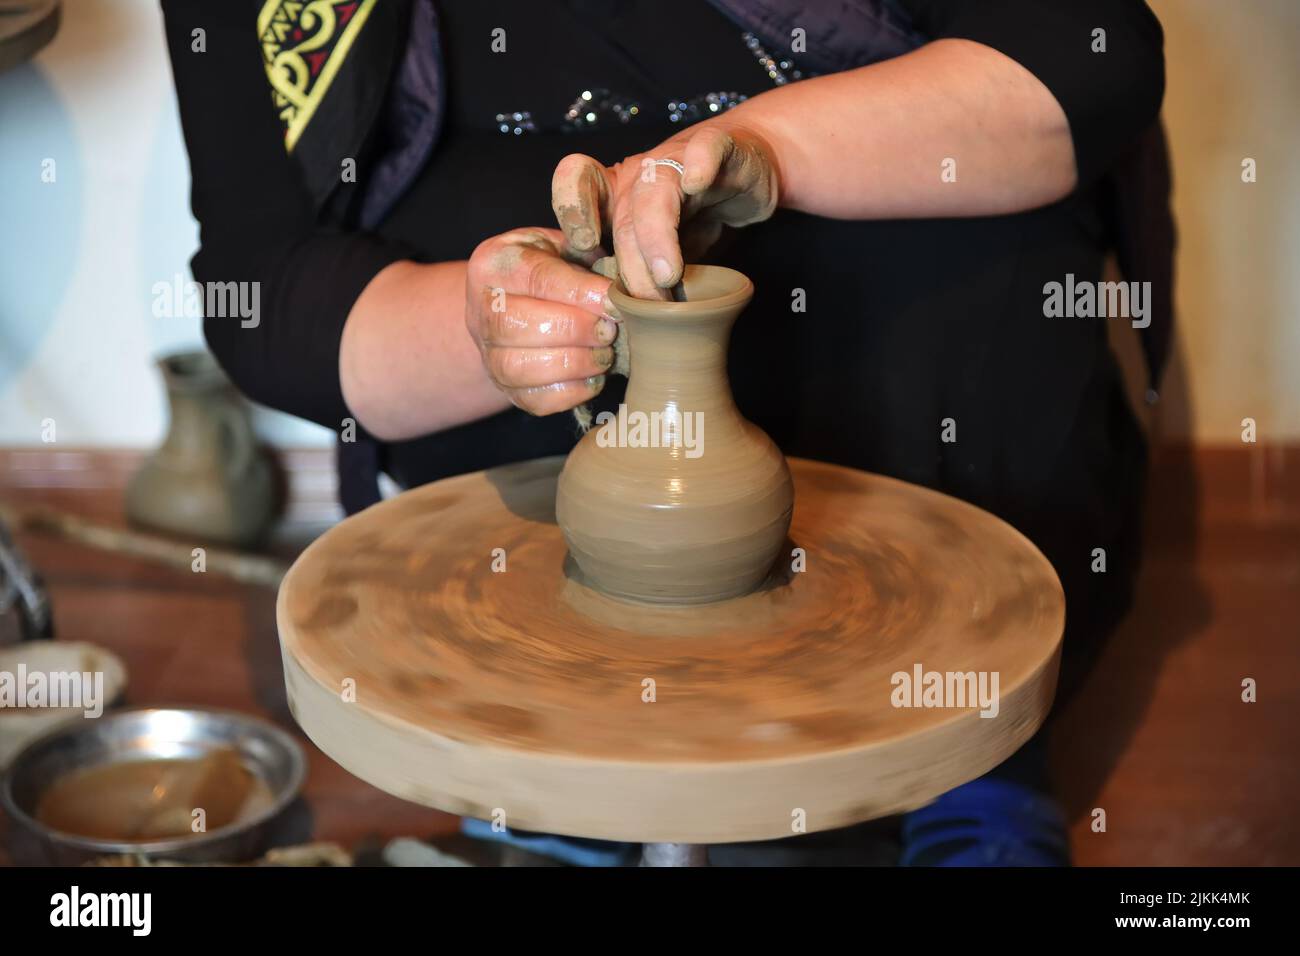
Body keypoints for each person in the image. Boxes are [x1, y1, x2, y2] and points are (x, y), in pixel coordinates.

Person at [162, 0, 1170, 865]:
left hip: (938, 372)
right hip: (515, 440)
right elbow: (263, 284)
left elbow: (1090, 51)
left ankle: (970, 767)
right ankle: (567, 779)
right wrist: (498, 329)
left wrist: (772, 153)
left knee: (952, 271)